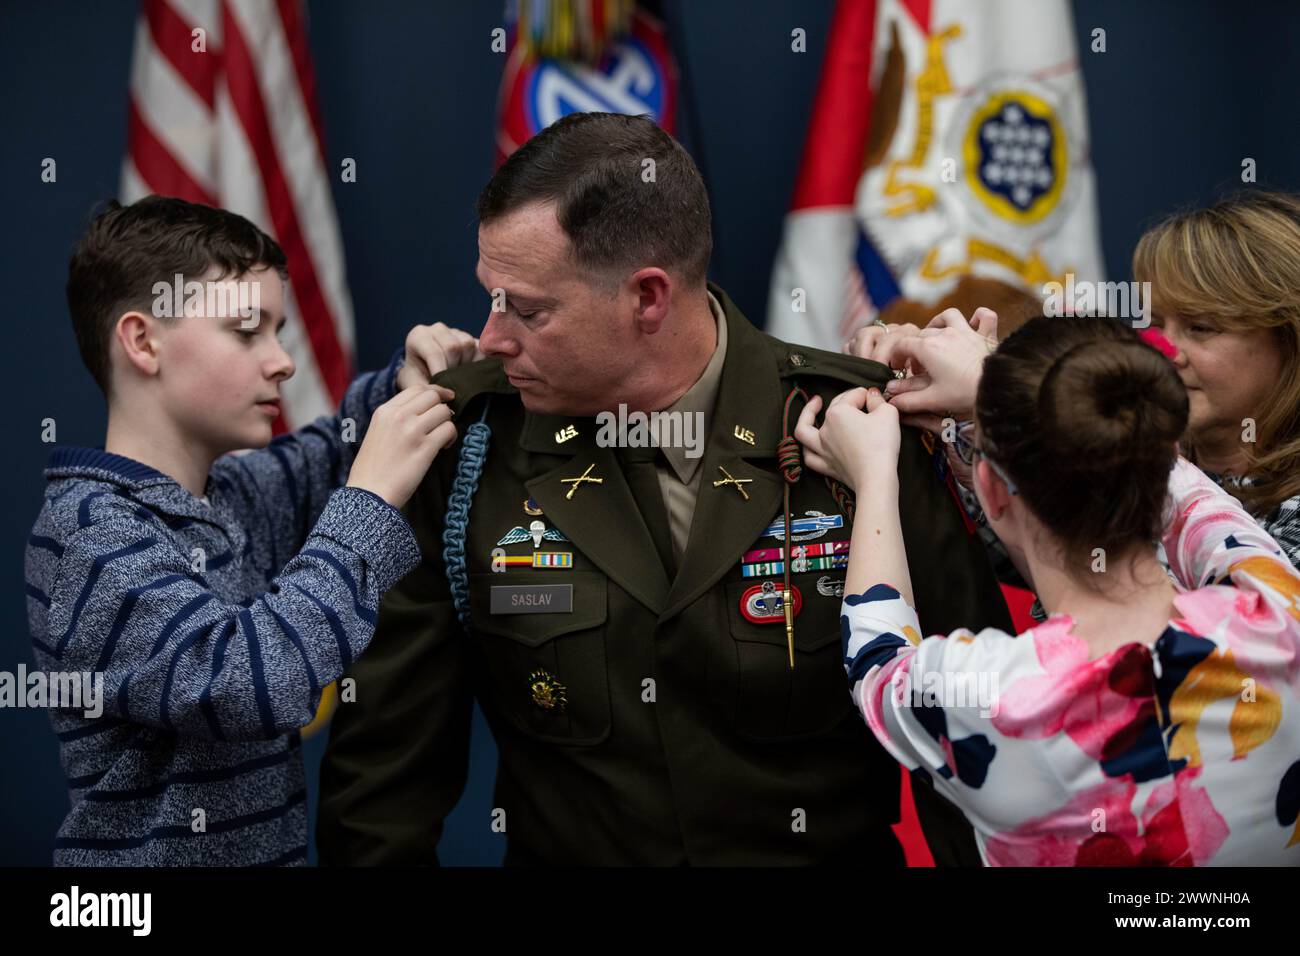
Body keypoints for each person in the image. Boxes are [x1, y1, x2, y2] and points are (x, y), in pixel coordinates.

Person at [317, 112, 1013, 866]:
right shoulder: (464, 449)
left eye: (528, 309)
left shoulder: (858, 426)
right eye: (491, 299)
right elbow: (382, 790)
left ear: (648, 297)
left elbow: (974, 754)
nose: (492, 339)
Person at [25, 196, 471, 865]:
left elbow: (332, 447)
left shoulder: (226, 497)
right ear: (143, 342)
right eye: (246, 331)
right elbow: (251, 683)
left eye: (280, 331)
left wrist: (405, 381)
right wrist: (370, 499)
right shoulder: (89, 536)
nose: (283, 361)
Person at [797, 314, 1300, 865]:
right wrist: (994, 377)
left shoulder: (994, 694)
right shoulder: (1280, 616)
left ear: (989, 490)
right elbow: (1202, 511)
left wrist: (872, 476)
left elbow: (877, 659)